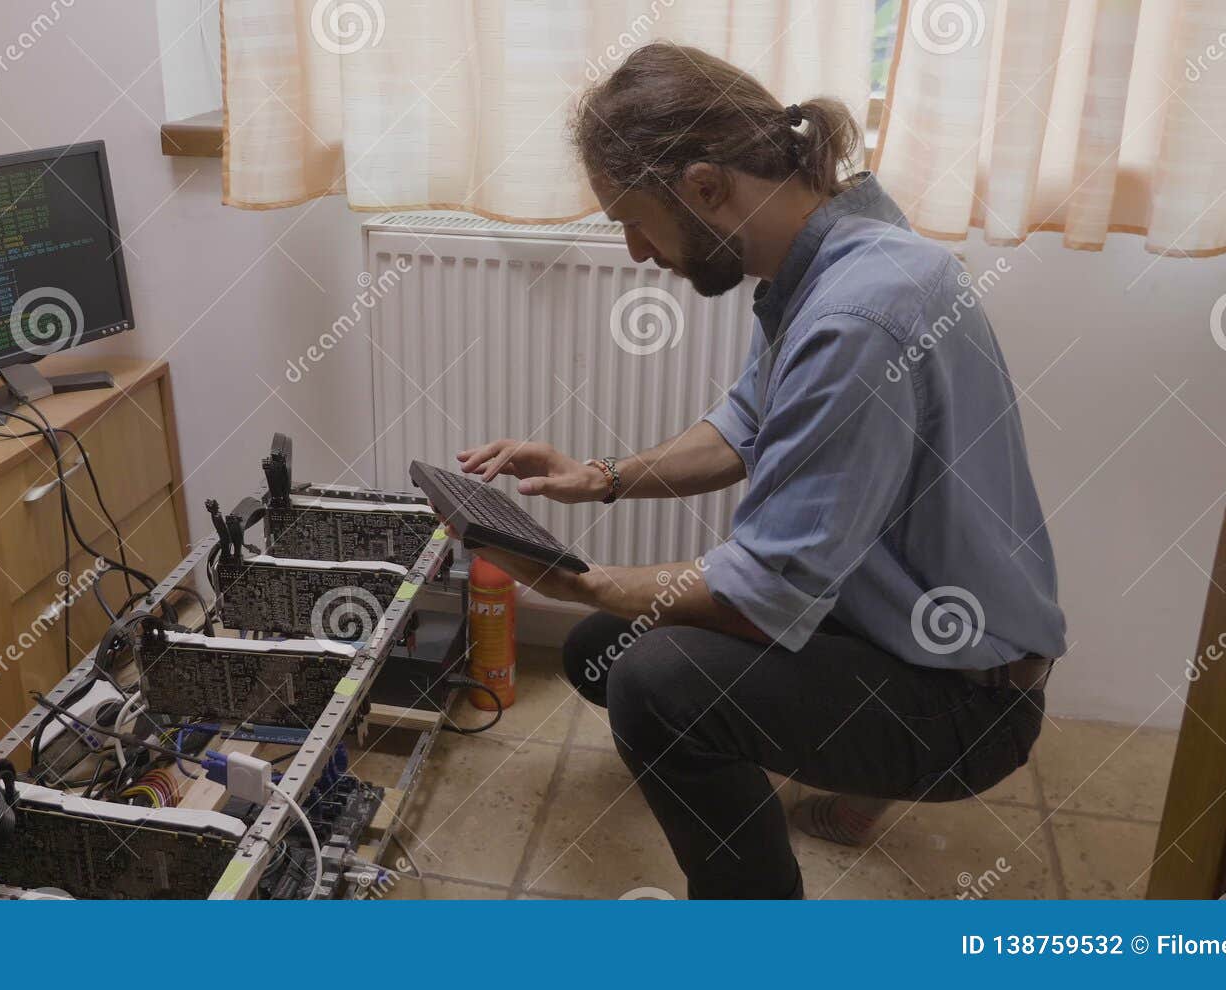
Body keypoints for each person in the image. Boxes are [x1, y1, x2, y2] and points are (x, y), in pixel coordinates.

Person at [456, 42, 1066, 899]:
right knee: (602, 654)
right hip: (905, 627)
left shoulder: (857, 315)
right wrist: (600, 476)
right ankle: (840, 778)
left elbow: (762, 589)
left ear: (705, 186)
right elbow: (745, 425)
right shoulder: (837, 245)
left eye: (634, 218)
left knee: (654, 683)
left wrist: (575, 580)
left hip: (965, 702)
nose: (635, 251)